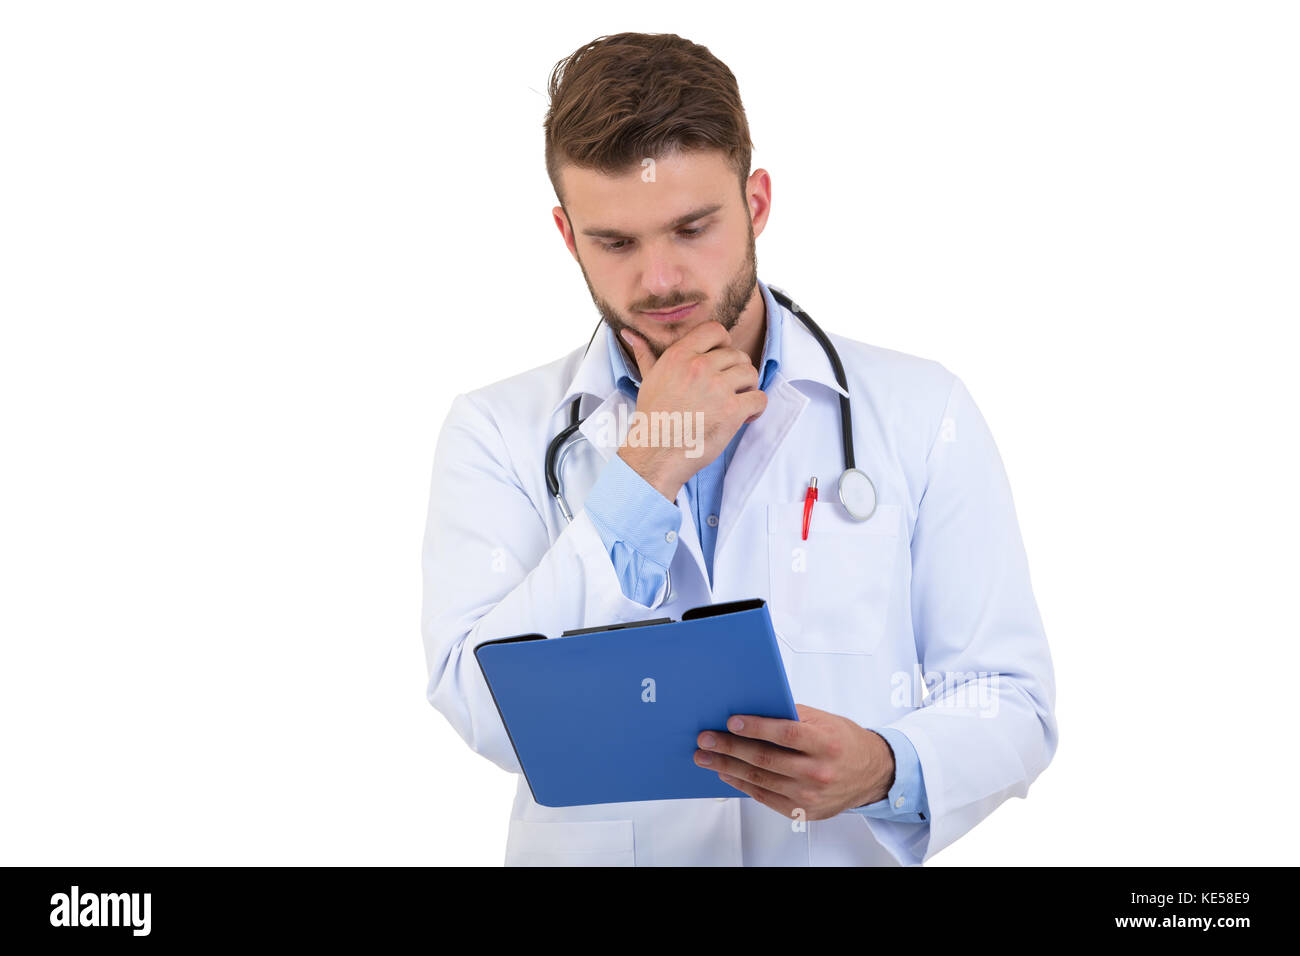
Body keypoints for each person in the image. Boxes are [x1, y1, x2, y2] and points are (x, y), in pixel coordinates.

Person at [421, 31, 1057, 866]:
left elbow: (1013, 703)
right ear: (567, 235)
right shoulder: (495, 432)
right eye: (616, 242)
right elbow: (484, 706)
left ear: (756, 203)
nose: (660, 280)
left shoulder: (918, 410)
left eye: (692, 227)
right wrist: (647, 469)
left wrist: (886, 766)